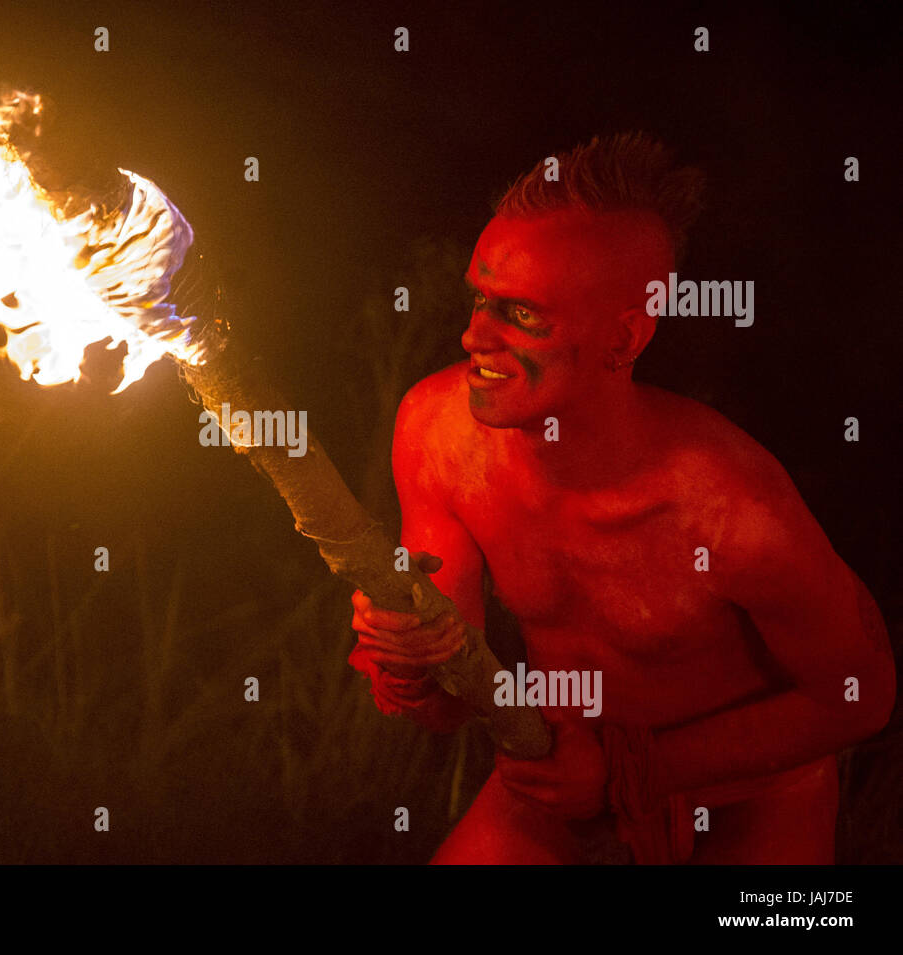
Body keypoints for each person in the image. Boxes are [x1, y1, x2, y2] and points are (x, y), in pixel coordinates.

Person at [348, 133, 896, 864]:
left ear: (624, 336)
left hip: (750, 796)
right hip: (554, 769)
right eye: (481, 298)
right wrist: (410, 658)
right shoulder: (438, 432)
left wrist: (635, 769)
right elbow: (450, 704)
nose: (473, 333)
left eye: (523, 315)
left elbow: (860, 693)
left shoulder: (731, 509)